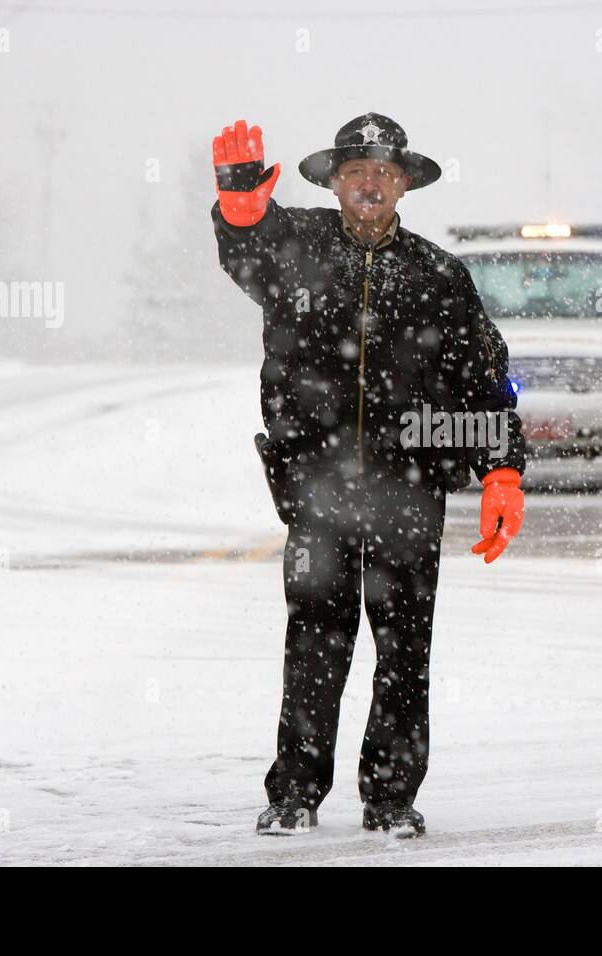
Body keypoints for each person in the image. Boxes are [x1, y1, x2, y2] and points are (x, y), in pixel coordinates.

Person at [210, 112, 527, 837]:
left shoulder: (441, 276)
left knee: (405, 650)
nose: (371, 182)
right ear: (334, 182)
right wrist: (238, 209)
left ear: (406, 183)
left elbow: (486, 381)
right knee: (315, 643)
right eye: (356, 171)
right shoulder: (296, 250)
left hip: (409, 490)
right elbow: (248, 254)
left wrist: (503, 471)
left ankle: (389, 799)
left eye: (385, 171)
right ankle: (294, 792)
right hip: (316, 488)